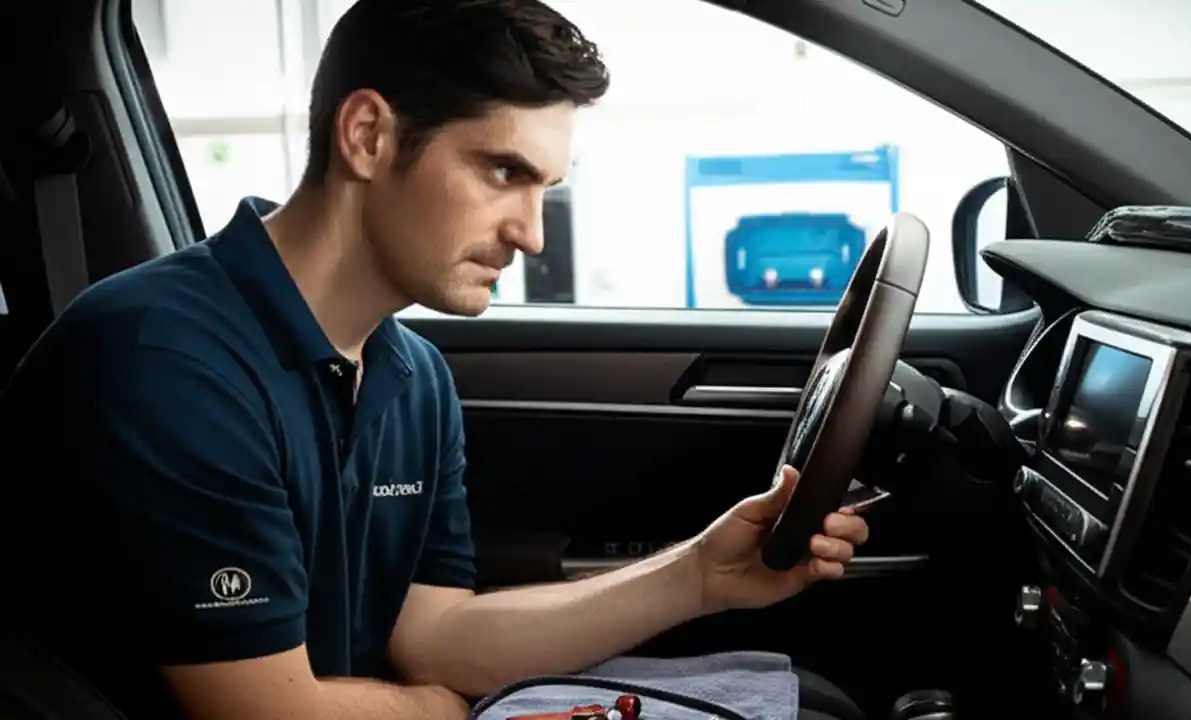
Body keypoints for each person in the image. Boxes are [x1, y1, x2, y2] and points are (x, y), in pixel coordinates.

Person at [0, 1, 869, 718]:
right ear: (369, 135)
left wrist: (698, 576)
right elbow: (264, 710)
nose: (531, 233)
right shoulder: (166, 357)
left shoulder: (413, 375)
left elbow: (435, 635)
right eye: (502, 173)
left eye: (543, 190)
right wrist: (444, 712)